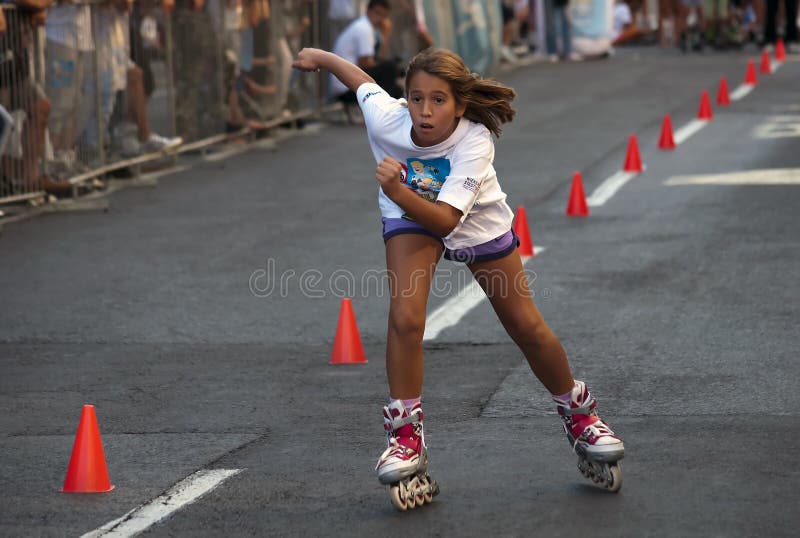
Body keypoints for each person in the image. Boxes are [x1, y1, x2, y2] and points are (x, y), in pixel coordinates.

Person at [292, 46, 625, 509]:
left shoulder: (474, 140)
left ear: (460, 104)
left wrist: (393, 188)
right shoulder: (388, 119)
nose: (425, 112)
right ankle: (405, 435)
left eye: (439, 100)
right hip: (409, 212)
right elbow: (360, 81)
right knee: (406, 319)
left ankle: (579, 414)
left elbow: (448, 221)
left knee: (525, 325)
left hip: (471, 217)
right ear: (404, 99)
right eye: (415, 98)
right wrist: (319, 57)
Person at [329, 0, 402, 122]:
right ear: (367, 10)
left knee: (396, 87)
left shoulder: (365, 26)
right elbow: (365, 63)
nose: (379, 18)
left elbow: (375, 58)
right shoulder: (364, 29)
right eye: (376, 13)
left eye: (383, 16)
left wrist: (385, 33)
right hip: (346, 88)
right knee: (390, 67)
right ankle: (381, 113)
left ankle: (379, 110)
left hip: (345, 85)